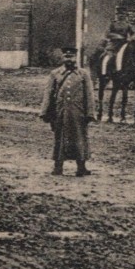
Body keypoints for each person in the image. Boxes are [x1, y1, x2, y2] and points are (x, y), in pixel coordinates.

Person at [40, 47, 95, 176]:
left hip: (78, 112)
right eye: (66, 56)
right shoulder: (55, 74)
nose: (69, 59)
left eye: (71, 57)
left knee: (80, 138)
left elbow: (89, 94)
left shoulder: (83, 74)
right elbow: (48, 93)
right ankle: (58, 167)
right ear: (62, 58)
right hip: (60, 112)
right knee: (60, 138)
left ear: (76, 58)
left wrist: (90, 113)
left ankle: (81, 167)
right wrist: (45, 112)